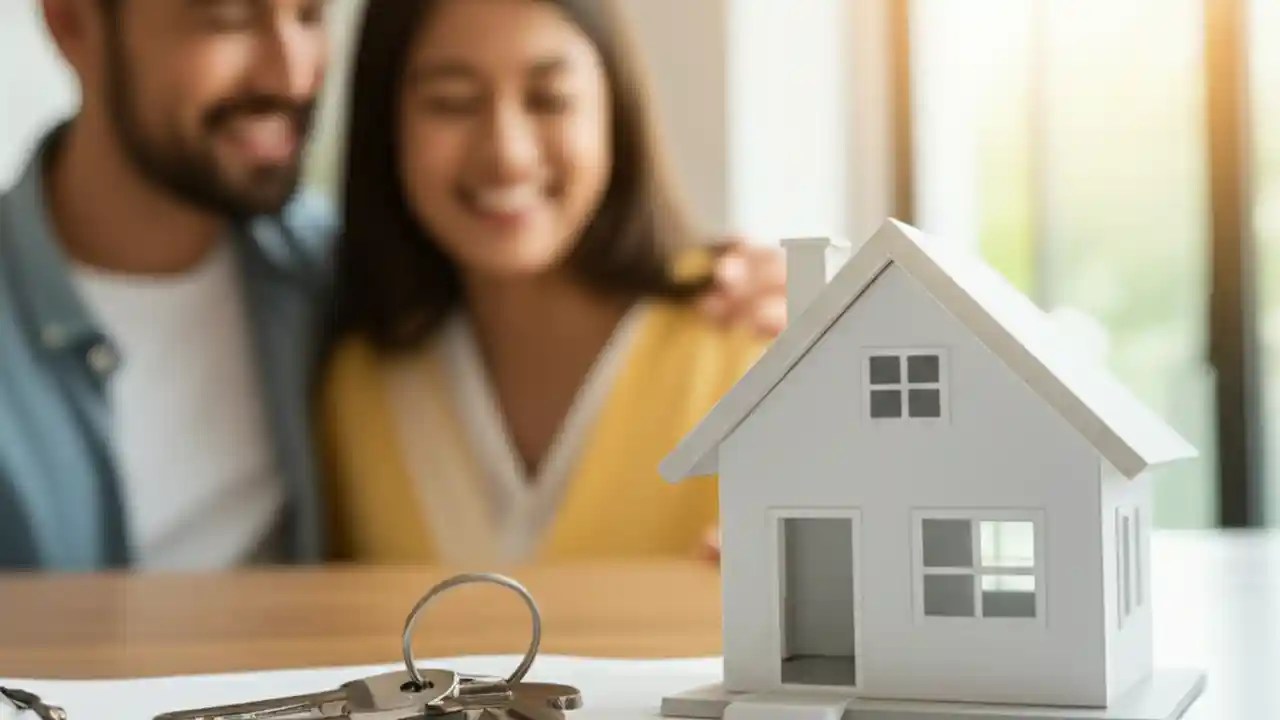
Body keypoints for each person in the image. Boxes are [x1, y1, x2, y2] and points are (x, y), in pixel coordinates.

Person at [0, 0, 786, 572]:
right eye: (231, 18)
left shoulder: (324, 281)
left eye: (310, 16)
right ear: (72, 22)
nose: (292, 71)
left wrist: (828, 314)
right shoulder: (357, 330)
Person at [323, 0, 770, 565]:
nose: (507, 154)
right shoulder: (353, 387)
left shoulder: (747, 341)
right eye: (451, 103)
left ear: (614, 110)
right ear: (385, 125)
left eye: (550, 99)